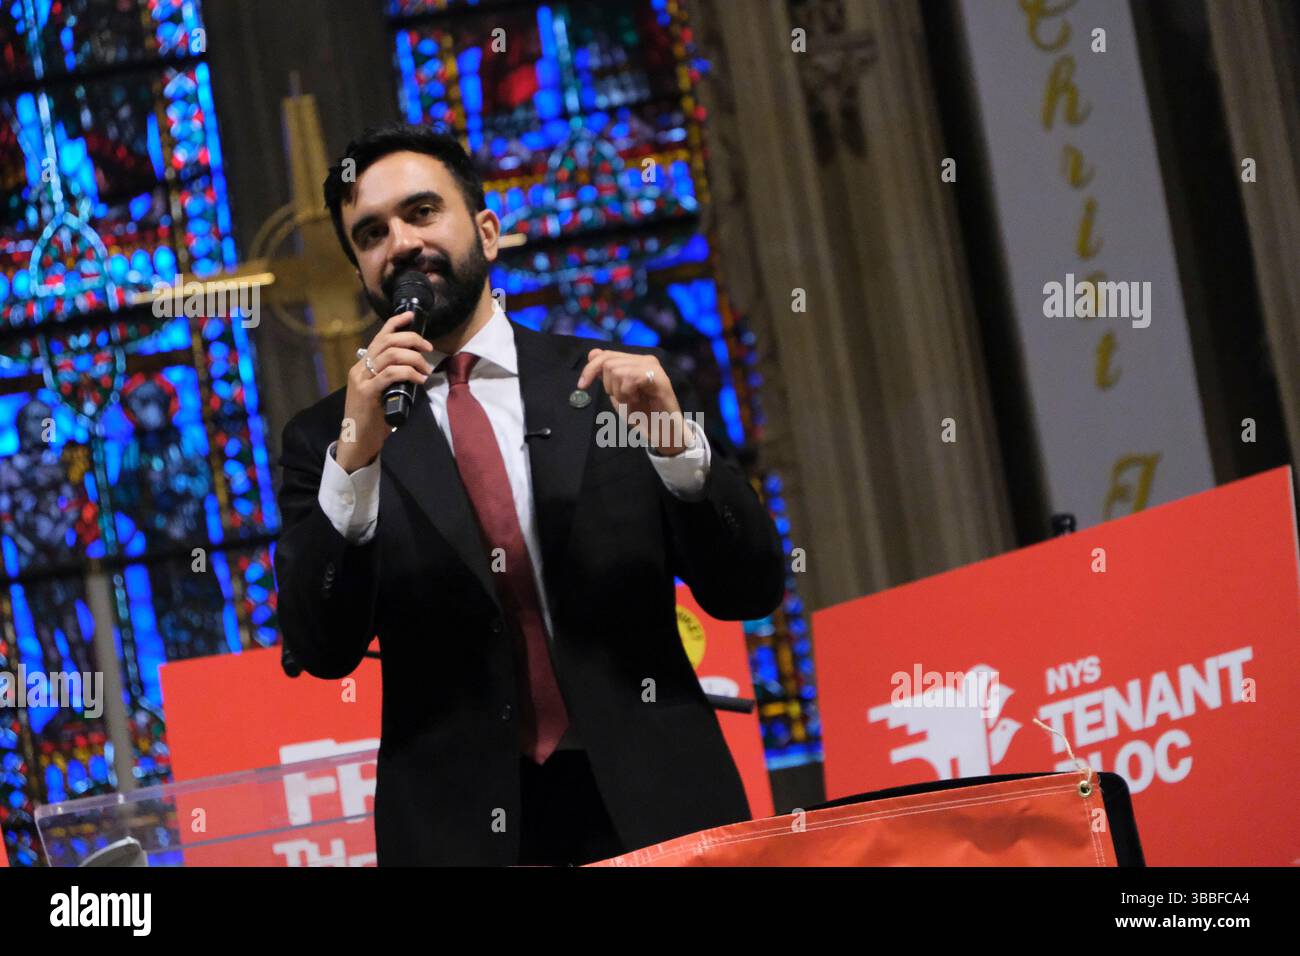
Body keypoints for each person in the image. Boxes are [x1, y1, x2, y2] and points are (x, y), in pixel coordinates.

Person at [273, 123, 785, 866]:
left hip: (657, 809)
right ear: (360, 268)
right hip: (459, 834)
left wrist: (679, 450)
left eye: (422, 213)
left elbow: (750, 586)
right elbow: (321, 649)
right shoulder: (330, 436)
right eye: (372, 233)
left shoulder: (616, 384)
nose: (403, 244)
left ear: (486, 230)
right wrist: (353, 462)